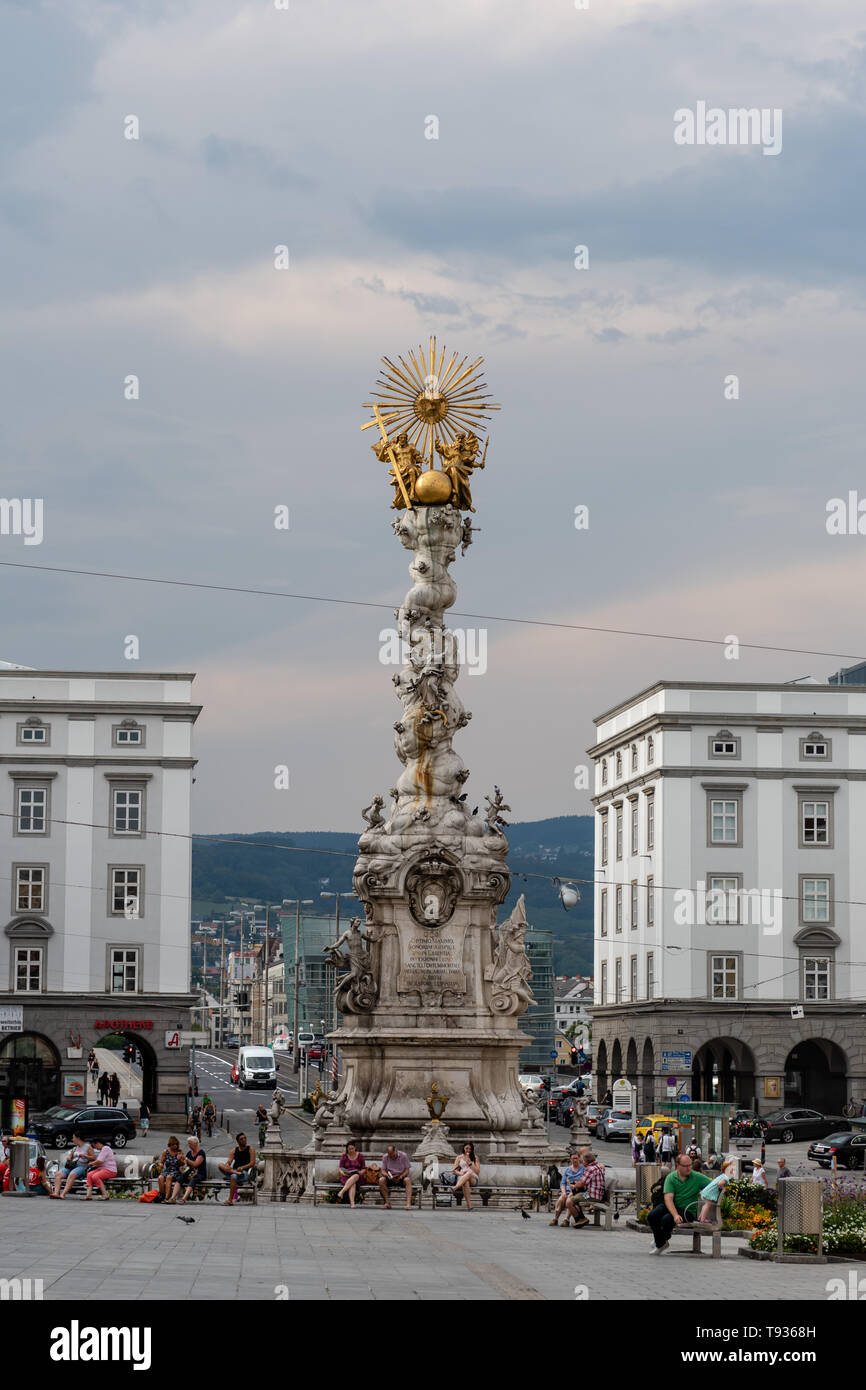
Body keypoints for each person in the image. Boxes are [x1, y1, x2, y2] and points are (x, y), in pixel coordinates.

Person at [647, 1152, 711, 1253]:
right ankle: (661, 1241)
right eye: (685, 1166)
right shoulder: (671, 1177)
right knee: (652, 1215)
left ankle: (660, 1242)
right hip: (673, 1206)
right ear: (678, 1166)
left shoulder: (697, 1177)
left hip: (687, 1210)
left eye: (690, 1165)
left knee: (666, 1219)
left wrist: (722, 1182)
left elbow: (713, 1184)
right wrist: (675, 1215)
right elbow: (668, 1199)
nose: (688, 1168)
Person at [565, 1150, 606, 1227]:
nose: (582, 1162)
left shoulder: (590, 1169)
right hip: (597, 1194)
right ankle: (581, 1219)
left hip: (591, 1196)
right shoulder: (598, 1166)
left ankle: (580, 1219)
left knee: (569, 1201)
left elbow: (581, 1183)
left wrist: (574, 1186)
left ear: (587, 1161)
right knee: (576, 1195)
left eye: (583, 1160)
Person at [550, 1150, 587, 1226]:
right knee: (561, 1199)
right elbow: (563, 1183)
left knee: (569, 1200)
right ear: (570, 1159)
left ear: (579, 1158)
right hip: (567, 1191)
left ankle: (566, 1219)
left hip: (576, 1191)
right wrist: (563, 1192)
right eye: (573, 1158)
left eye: (576, 1158)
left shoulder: (583, 1169)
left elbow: (584, 1183)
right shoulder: (567, 1169)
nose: (575, 1160)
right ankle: (556, 1218)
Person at [53, 1134, 95, 1198]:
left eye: (73, 1138)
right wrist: (69, 1158)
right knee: (58, 1174)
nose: (72, 1139)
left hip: (82, 1166)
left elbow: (93, 1158)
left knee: (72, 1175)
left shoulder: (88, 1147)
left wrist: (85, 1156)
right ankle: (56, 1193)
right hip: (72, 1165)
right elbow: (70, 1156)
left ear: (78, 1138)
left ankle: (63, 1194)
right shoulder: (75, 1148)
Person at [219, 1133, 256, 1204]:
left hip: (244, 1172)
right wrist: (227, 1165)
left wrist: (242, 1167)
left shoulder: (250, 1149)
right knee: (220, 1165)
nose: (244, 1140)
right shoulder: (234, 1150)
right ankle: (235, 1173)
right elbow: (229, 1161)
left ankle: (230, 1200)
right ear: (238, 1142)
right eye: (241, 1139)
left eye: (245, 1138)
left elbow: (252, 1163)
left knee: (233, 1177)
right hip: (234, 1171)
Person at [378, 1145, 412, 1210]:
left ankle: (408, 1204)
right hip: (390, 1177)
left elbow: (407, 1170)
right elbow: (383, 1170)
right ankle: (387, 1203)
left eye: (393, 1155)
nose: (391, 1157)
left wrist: (401, 1176)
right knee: (381, 1180)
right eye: (390, 1155)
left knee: (407, 1180)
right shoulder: (385, 1157)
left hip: (401, 1176)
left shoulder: (403, 1156)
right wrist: (387, 1176)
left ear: (395, 1151)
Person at [452, 1143, 481, 1210]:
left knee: (470, 1173)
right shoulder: (459, 1157)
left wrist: (470, 1164)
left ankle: (455, 1188)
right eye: (467, 1148)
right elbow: (454, 1171)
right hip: (462, 1177)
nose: (468, 1150)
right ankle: (469, 1206)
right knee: (466, 1182)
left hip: (473, 1178)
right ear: (463, 1148)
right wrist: (461, 1173)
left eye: (470, 1149)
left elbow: (477, 1171)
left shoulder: (475, 1157)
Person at [156, 1136, 185, 1203]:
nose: (175, 1146)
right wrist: (160, 1165)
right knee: (160, 1177)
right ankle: (162, 1195)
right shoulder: (166, 1152)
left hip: (176, 1171)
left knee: (169, 1177)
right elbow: (162, 1162)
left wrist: (179, 1159)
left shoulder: (180, 1152)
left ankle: (167, 1198)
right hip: (167, 1170)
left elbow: (182, 1164)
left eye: (176, 1144)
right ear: (170, 1145)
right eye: (173, 1144)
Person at [179, 1135, 207, 1204]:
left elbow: (195, 1164)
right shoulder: (189, 1153)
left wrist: (186, 1159)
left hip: (200, 1174)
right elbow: (185, 1164)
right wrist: (181, 1163)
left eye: (189, 1143)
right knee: (180, 1178)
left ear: (195, 1143)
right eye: (188, 1143)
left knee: (194, 1179)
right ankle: (172, 1197)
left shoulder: (201, 1153)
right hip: (190, 1173)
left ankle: (183, 1199)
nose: (188, 1145)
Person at [338, 1141, 365, 1207]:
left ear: (355, 1148)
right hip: (346, 1176)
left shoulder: (360, 1156)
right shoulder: (344, 1156)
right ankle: (352, 1203)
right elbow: (340, 1168)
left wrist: (360, 1172)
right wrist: (343, 1174)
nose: (351, 1150)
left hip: (358, 1177)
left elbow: (364, 1168)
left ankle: (342, 1191)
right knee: (353, 1183)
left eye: (352, 1148)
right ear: (347, 1149)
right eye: (349, 1149)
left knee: (355, 1176)